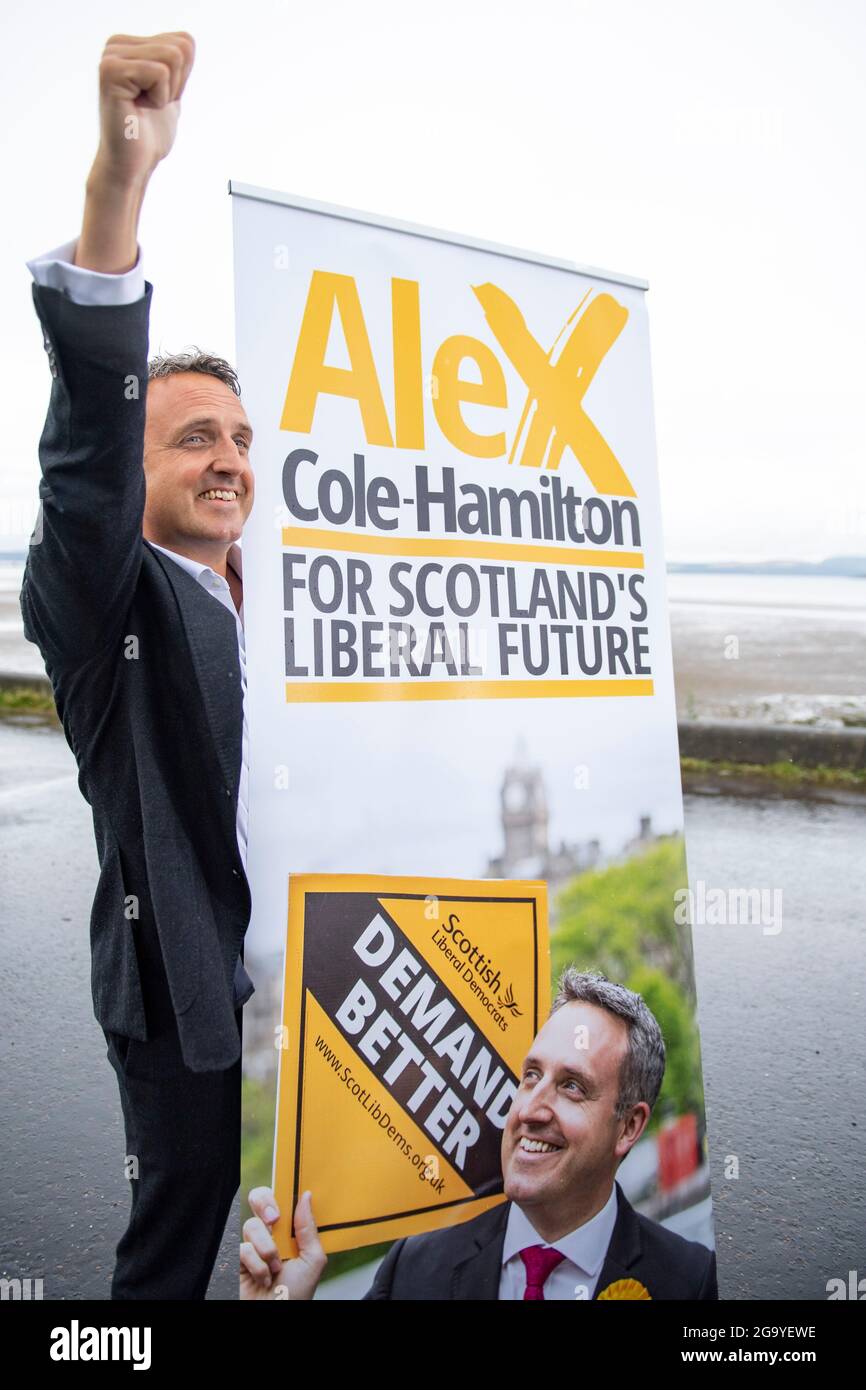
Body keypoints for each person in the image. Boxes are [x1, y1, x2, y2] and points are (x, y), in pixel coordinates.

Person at [21, 31, 256, 1299]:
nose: (228, 458)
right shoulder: (100, 599)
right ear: (142, 471)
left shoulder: (283, 607)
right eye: (192, 441)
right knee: (172, 1252)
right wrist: (122, 182)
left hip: (319, 980)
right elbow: (86, 459)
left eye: (241, 437)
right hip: (180, 1002)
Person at [240, 968, 719, 1299]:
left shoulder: (695, 1282)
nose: (530, 1108)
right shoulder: (413, 1270)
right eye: (531, 1076)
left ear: (629, 1126)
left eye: (572, 1087)